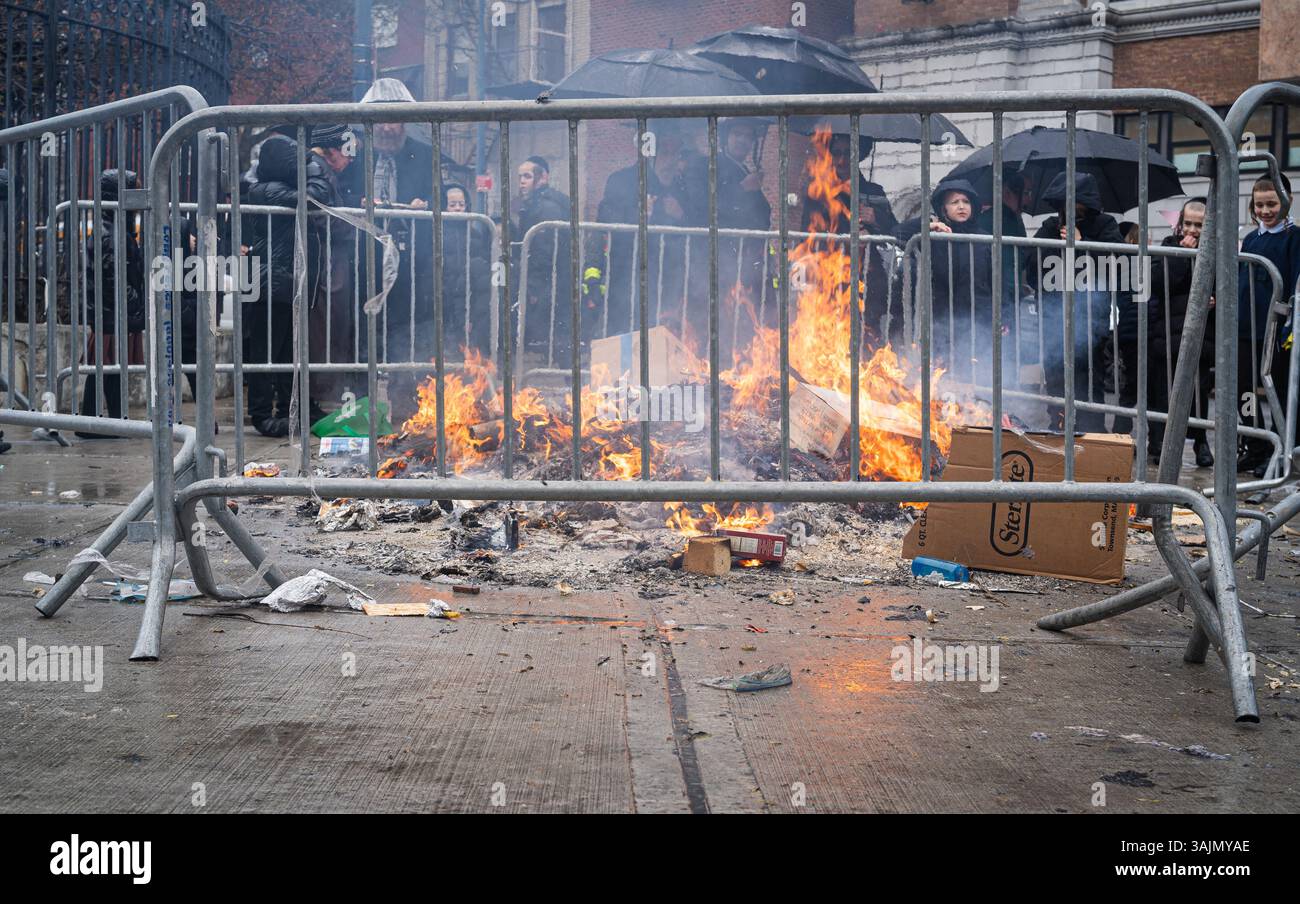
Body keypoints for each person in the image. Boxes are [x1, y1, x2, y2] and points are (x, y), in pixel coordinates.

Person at [350, 77, 438, 425]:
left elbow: (439, 199)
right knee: (362, 334)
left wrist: (422, 206)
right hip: (363, 257)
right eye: (382, 119)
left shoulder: (423, 155)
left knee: (406, 334)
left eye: (394, 119)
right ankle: (360, 409)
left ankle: (406, 409)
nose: (388, 127)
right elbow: (335, 196)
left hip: (409, 260)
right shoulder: (353, 154)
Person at [242, 135, 335, 437]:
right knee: (265, 352)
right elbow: (319, 194)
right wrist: (314, 168)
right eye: (296, 163)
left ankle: (288, 408)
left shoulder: (277, 189)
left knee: (286, 351)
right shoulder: (265, 191)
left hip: (287, 282)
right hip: (271, 284)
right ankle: (261, 415)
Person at [1029, 171, 1125, 434]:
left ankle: (1091, 428)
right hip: (1053, 317)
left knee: (1090, 375)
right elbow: (1032, 268)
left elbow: (1116, 265)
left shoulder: (1106, 225)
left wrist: (1082, 245)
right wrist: (1056, 246)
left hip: (1091, 319)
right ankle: (1058, 423)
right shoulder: (1050, 227)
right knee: (1056, 373)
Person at [587, 127, 697, 342]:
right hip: (627, 273)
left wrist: (681, 214)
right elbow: (605, 218)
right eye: (666, 152)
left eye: (675, 153)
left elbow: (696, 225)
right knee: (623, 334)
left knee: (661, 336)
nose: (671, 159)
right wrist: (638, 214)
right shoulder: (622, 180)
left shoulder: (681, 186)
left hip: (667, 276)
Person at [898, 178, 992, 383]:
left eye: (966, 202)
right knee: (939, 374)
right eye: (954, 202)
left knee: (972, 376)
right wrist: (929, 226)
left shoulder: (984, 239)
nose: (961, 206)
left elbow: (995, 280)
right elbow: (898, 233)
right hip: (939, 319)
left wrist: (1001, 314)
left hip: (975, 320)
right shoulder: (933, 236)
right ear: (943, 208)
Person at [1144, 197, 1214, 467]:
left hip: (1201, 337)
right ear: (1179, 225)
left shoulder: (1216, 249)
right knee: (1163, 393)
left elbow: (1220, 285)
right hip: (1167, 335)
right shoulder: (1170, 247)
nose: (1192, 230)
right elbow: (1161, 283)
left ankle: (1200, 442)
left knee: (1198, 393)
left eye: (1199, 225)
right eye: (1188, 224)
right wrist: (1183, 257)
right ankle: (1159, 443)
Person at [1238, 173, 1300, 474]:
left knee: (1277, 390)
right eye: (1259, 204)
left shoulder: (1295, 238)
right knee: (1243, 389)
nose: (1265, 210)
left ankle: (1278, 449)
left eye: (1272, 204)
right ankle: (1256, 443)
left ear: (1286, 201)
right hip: (1244, 327)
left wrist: (1289, 325)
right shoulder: (1250, 238)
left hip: (1276, 329)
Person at [78, 169, 147, 436]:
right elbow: (113, 281)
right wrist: (134, 305)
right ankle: (92, 424)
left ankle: (115, 422)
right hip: (111, 313)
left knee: (111, 368)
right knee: (105, 368)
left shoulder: (114, 230)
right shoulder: (113, 234)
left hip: (111, 312)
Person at [307, 123, 357, 409]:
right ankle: (320, 394)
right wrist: (355, 227)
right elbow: (321, 216)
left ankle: (323, 391)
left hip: (329, 263)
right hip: (326, 266)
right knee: (324, 331)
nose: (349, 161)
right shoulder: (318, 170)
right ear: (331, 149)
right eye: (347, 153)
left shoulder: (319, 169)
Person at [514, 155, 573, 359]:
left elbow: (543, 253)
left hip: (548, 283)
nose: (521, 181)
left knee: (552, 337)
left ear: (543, 178)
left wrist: (533, 286)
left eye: (527, 176)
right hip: (554, 282)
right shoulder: (539, 204)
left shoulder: (547, 208)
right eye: (520, 176)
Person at [441, 183, 493, 358]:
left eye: (461, 205)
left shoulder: (476, 237)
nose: (457, 209)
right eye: (452, 205)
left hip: (465, 299)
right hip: (442, 296)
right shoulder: (435, 234)